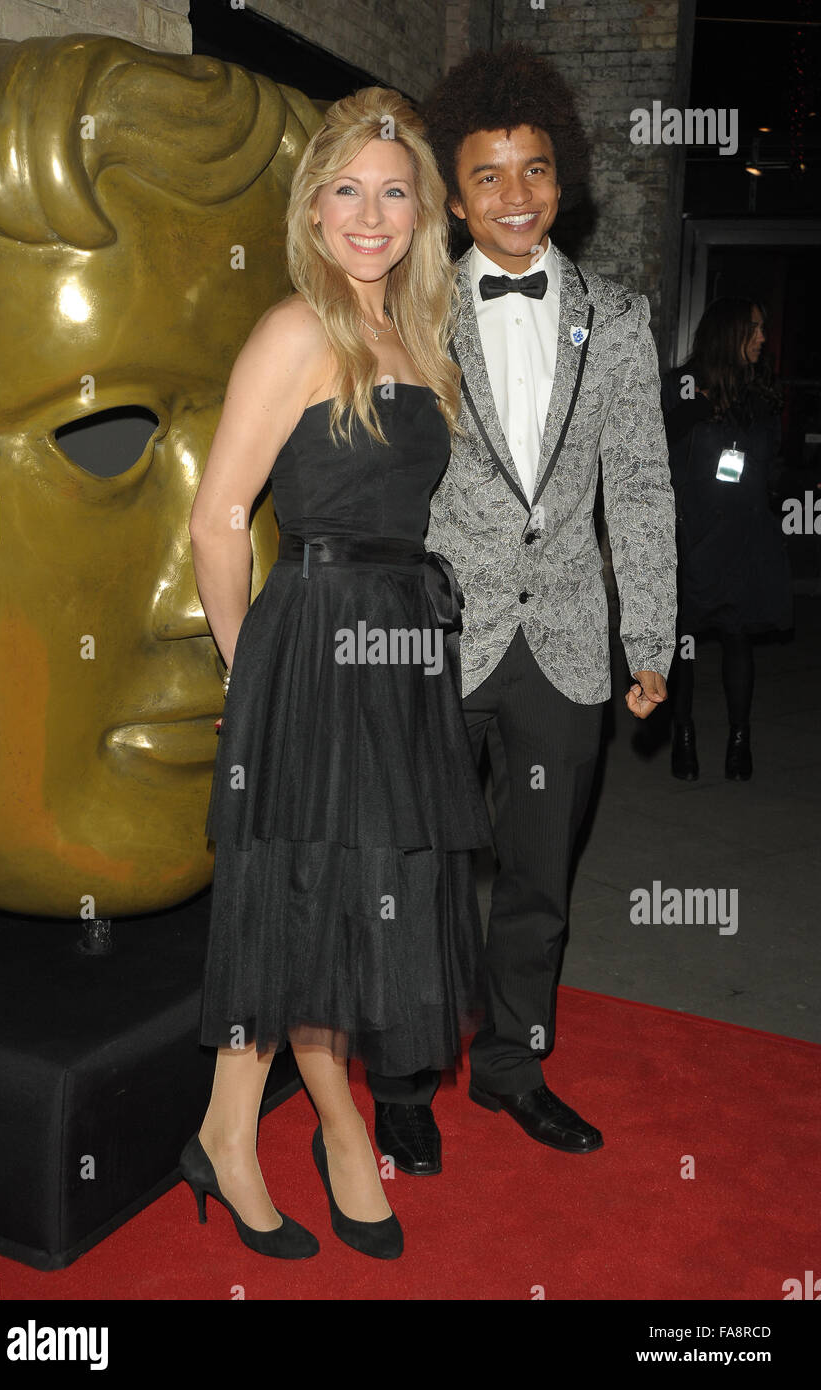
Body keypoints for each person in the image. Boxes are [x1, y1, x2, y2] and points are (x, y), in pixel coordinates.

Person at [182, 86, 491, 1261]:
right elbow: (219, 519)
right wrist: (247, 671)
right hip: (311, 642)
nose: (371, 213)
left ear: (422, 212)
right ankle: (307, 1132)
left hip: (400, 645)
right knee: (304, 893)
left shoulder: (418, 336)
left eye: (393, 191)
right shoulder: (296, 330)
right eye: (347, 191)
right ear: (314, 211)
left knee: (364, 895)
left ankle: (269, 1124)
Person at [368, 41, 678, 1175]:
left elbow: (640, 486)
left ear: (565, 177)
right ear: (452, 192)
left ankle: (511, 1066)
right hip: (440, 638)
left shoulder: (623, 322)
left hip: (566, 649)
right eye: (488, 175)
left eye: (534, 170)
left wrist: (650, 635)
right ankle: (402, 1082)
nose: (514, 196)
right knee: (422, 874)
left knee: (540, 882)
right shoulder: (410, 308)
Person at [662, 298, 792, 781]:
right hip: (692, 535)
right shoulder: (683, 386)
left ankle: (740, 741)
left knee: (739, 638)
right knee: (686, 641)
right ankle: (684, 735)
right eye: (754, 329)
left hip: (742, 538)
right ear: (729, 331)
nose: (763, 338)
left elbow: (770, 461)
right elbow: (656, 450)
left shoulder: (757, 391)